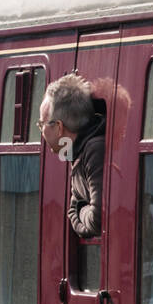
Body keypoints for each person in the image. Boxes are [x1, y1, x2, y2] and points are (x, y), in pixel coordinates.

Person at [38, 72, 105, 237]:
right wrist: (81, 209)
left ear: (59, 127)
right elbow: (72, 210)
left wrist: (82, 209)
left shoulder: (95, 150)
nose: (40, 130)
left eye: (41, 124)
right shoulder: (74, 152)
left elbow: (97, 220)